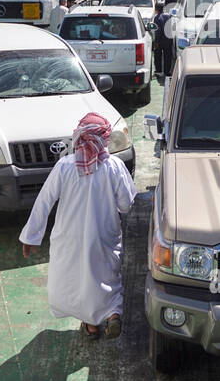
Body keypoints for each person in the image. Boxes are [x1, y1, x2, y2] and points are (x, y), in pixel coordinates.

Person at [19, 113, 136, 339]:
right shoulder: (114, 166)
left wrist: (31, 236)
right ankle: (112, 315)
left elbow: (44, 200)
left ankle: (91, 327)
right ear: (104, 139)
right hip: (104, 236)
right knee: (106, 276)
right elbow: (126, 205)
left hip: (69, 237)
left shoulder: (64, 166)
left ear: (79, 138)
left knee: (79, 279)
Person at [152, 2, 172, 78]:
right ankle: (167, 72)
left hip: (160, 40)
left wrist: (156, 42)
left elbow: (158, 31)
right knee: (168, 56)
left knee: (157, 55)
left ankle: (159, 71)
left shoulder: (157, 18)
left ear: (156, 9)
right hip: (168, 39)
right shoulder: (168, 16)